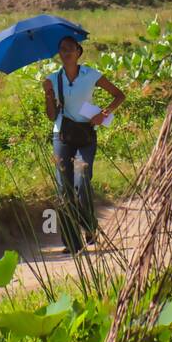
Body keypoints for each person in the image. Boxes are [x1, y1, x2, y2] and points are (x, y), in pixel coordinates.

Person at [43, 35, 126, 253]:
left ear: (79, 52)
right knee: (64, 189)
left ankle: (89, 225)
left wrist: (104, 114)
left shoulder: (91, 75)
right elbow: (52, 116)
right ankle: (72, 243)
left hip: (86, 135)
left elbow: (119, 95)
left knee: (82, 183)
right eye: (62, 49)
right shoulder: (53, 79)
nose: (66, 52)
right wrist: (48, 95)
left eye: (70, 48)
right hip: (62, 134)